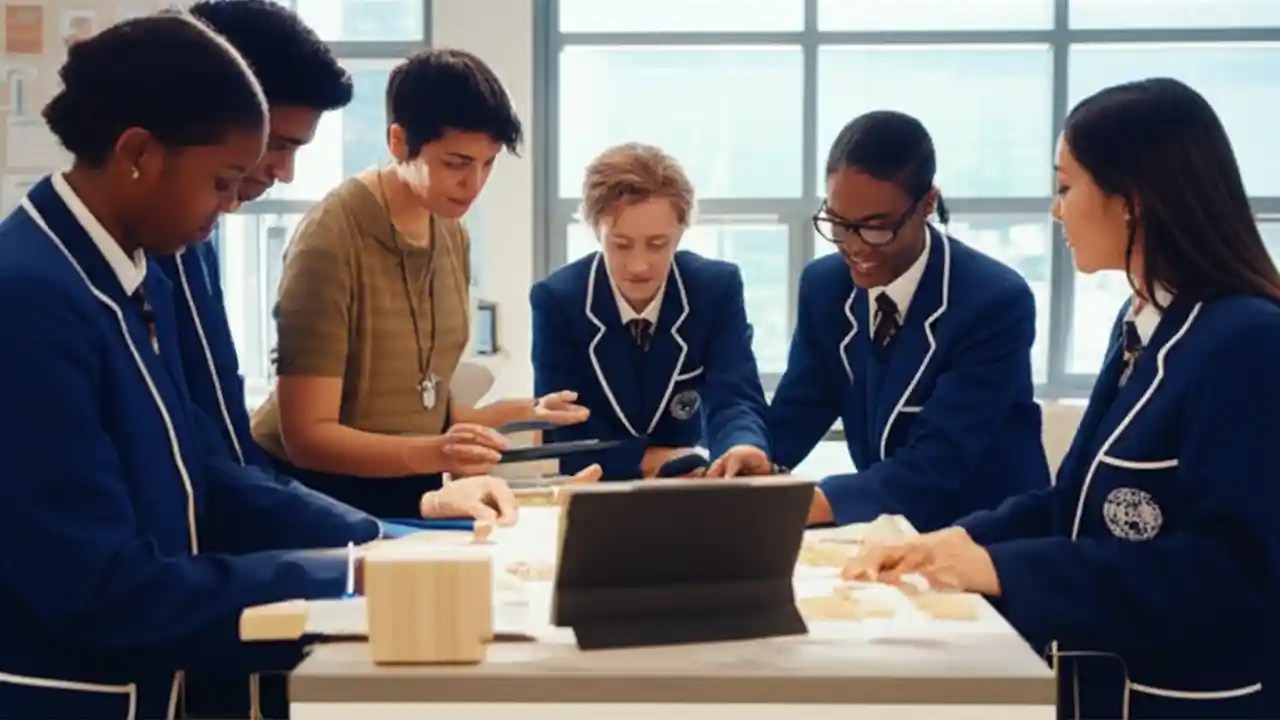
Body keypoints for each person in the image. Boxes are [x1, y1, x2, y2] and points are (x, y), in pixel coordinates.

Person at [0, 14, 437, 719]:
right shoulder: (28, 297)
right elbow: (97, 586)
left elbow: (201, 471)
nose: (233, 202)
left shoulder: (127, 278)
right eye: (221, 180)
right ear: (138, 154)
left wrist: (383, 543)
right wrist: (347, 576)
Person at [845, 78, 1280, 720]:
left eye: (1066, 186)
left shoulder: (1249, 341)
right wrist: (948, 543)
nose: (1056, 211)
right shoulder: (1142, 325)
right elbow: (1070, 504)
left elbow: (1227, 574)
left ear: (1131, 200)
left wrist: (1000, 569)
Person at [249, 48, 588, 516]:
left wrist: (518, 413)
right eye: (456, 163)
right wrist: (437, 453)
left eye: (487, 164)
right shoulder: (331, 237)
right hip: (310, 497)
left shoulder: (451, 230)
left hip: (405, 491)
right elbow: (308, 437)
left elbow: (416, 410)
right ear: (397, 141)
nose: (474, 184)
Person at [768, 111, 1049, 532]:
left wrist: (809, 503)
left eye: (876, 228)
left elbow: (939, 459)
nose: (853, 246)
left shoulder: (994, 301)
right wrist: (752, 461)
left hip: (985, 536)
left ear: (927, 204)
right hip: (891, 529)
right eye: (839, 224)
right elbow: (802, 406)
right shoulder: (825, 285)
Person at [154, 0, 351, 474]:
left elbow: (218, 443)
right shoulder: (48, 285)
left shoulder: (196, 245)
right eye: (277, 145)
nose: (284, 174)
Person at [531, 143, 772, 480]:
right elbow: (562, 432)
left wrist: (742, 446)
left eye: (658, 244)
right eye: (620, 244)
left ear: (682, 231)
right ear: (594, 229)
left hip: (694, 485)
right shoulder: (558, 300)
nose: (639, 265)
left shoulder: (716, 288)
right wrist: (653, 462)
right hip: (598, 489)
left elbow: (735, 395)